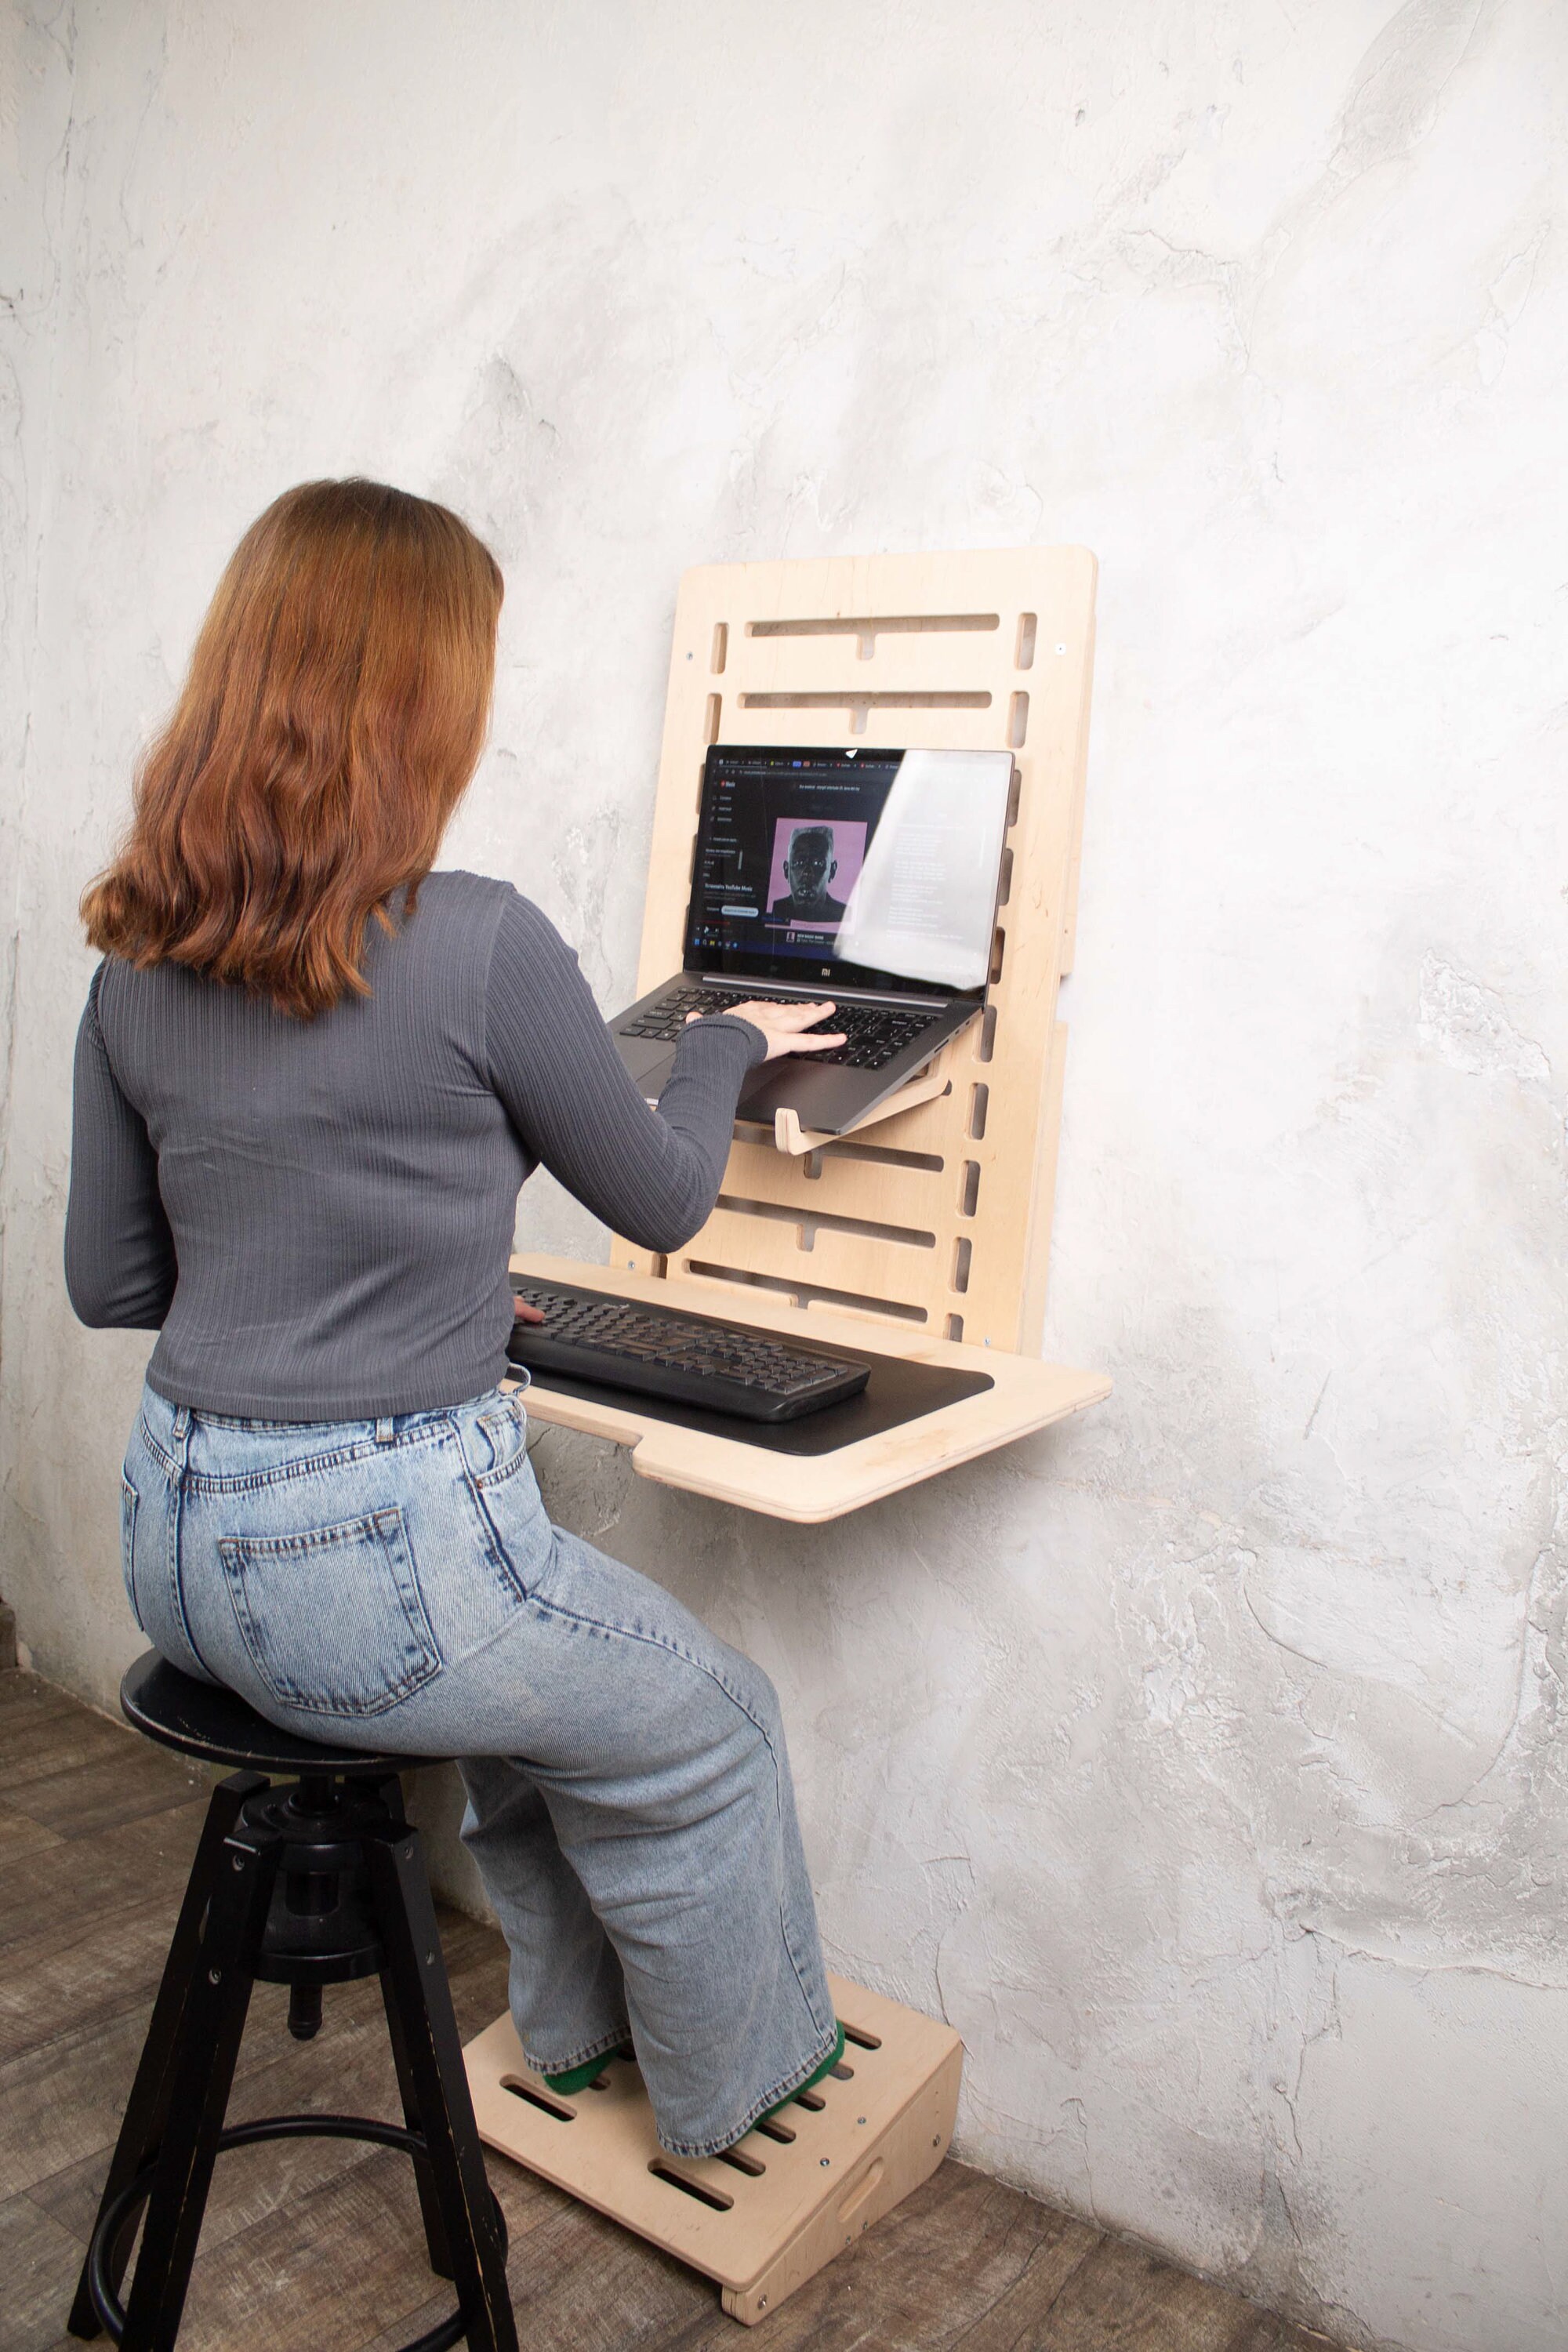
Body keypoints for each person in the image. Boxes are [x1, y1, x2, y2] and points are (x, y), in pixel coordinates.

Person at [64, 477, 851, 2159]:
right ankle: (746, 2106)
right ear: (422, 703)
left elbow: (113, 1286)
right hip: (378, 1567)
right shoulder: (478, 938)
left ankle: (572, 2045)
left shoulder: (136, 954)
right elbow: (659, 1201)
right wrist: (723, 1043)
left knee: (528, 1724)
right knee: (713, 1724)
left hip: (171, 1541)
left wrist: (370, 1267)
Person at [768, 822, 845, 926]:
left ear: (832, 871)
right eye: (799, 862)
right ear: (786, 870)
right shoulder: (775, 910)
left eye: (818, 863)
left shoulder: (844, 914)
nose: (807, 873)